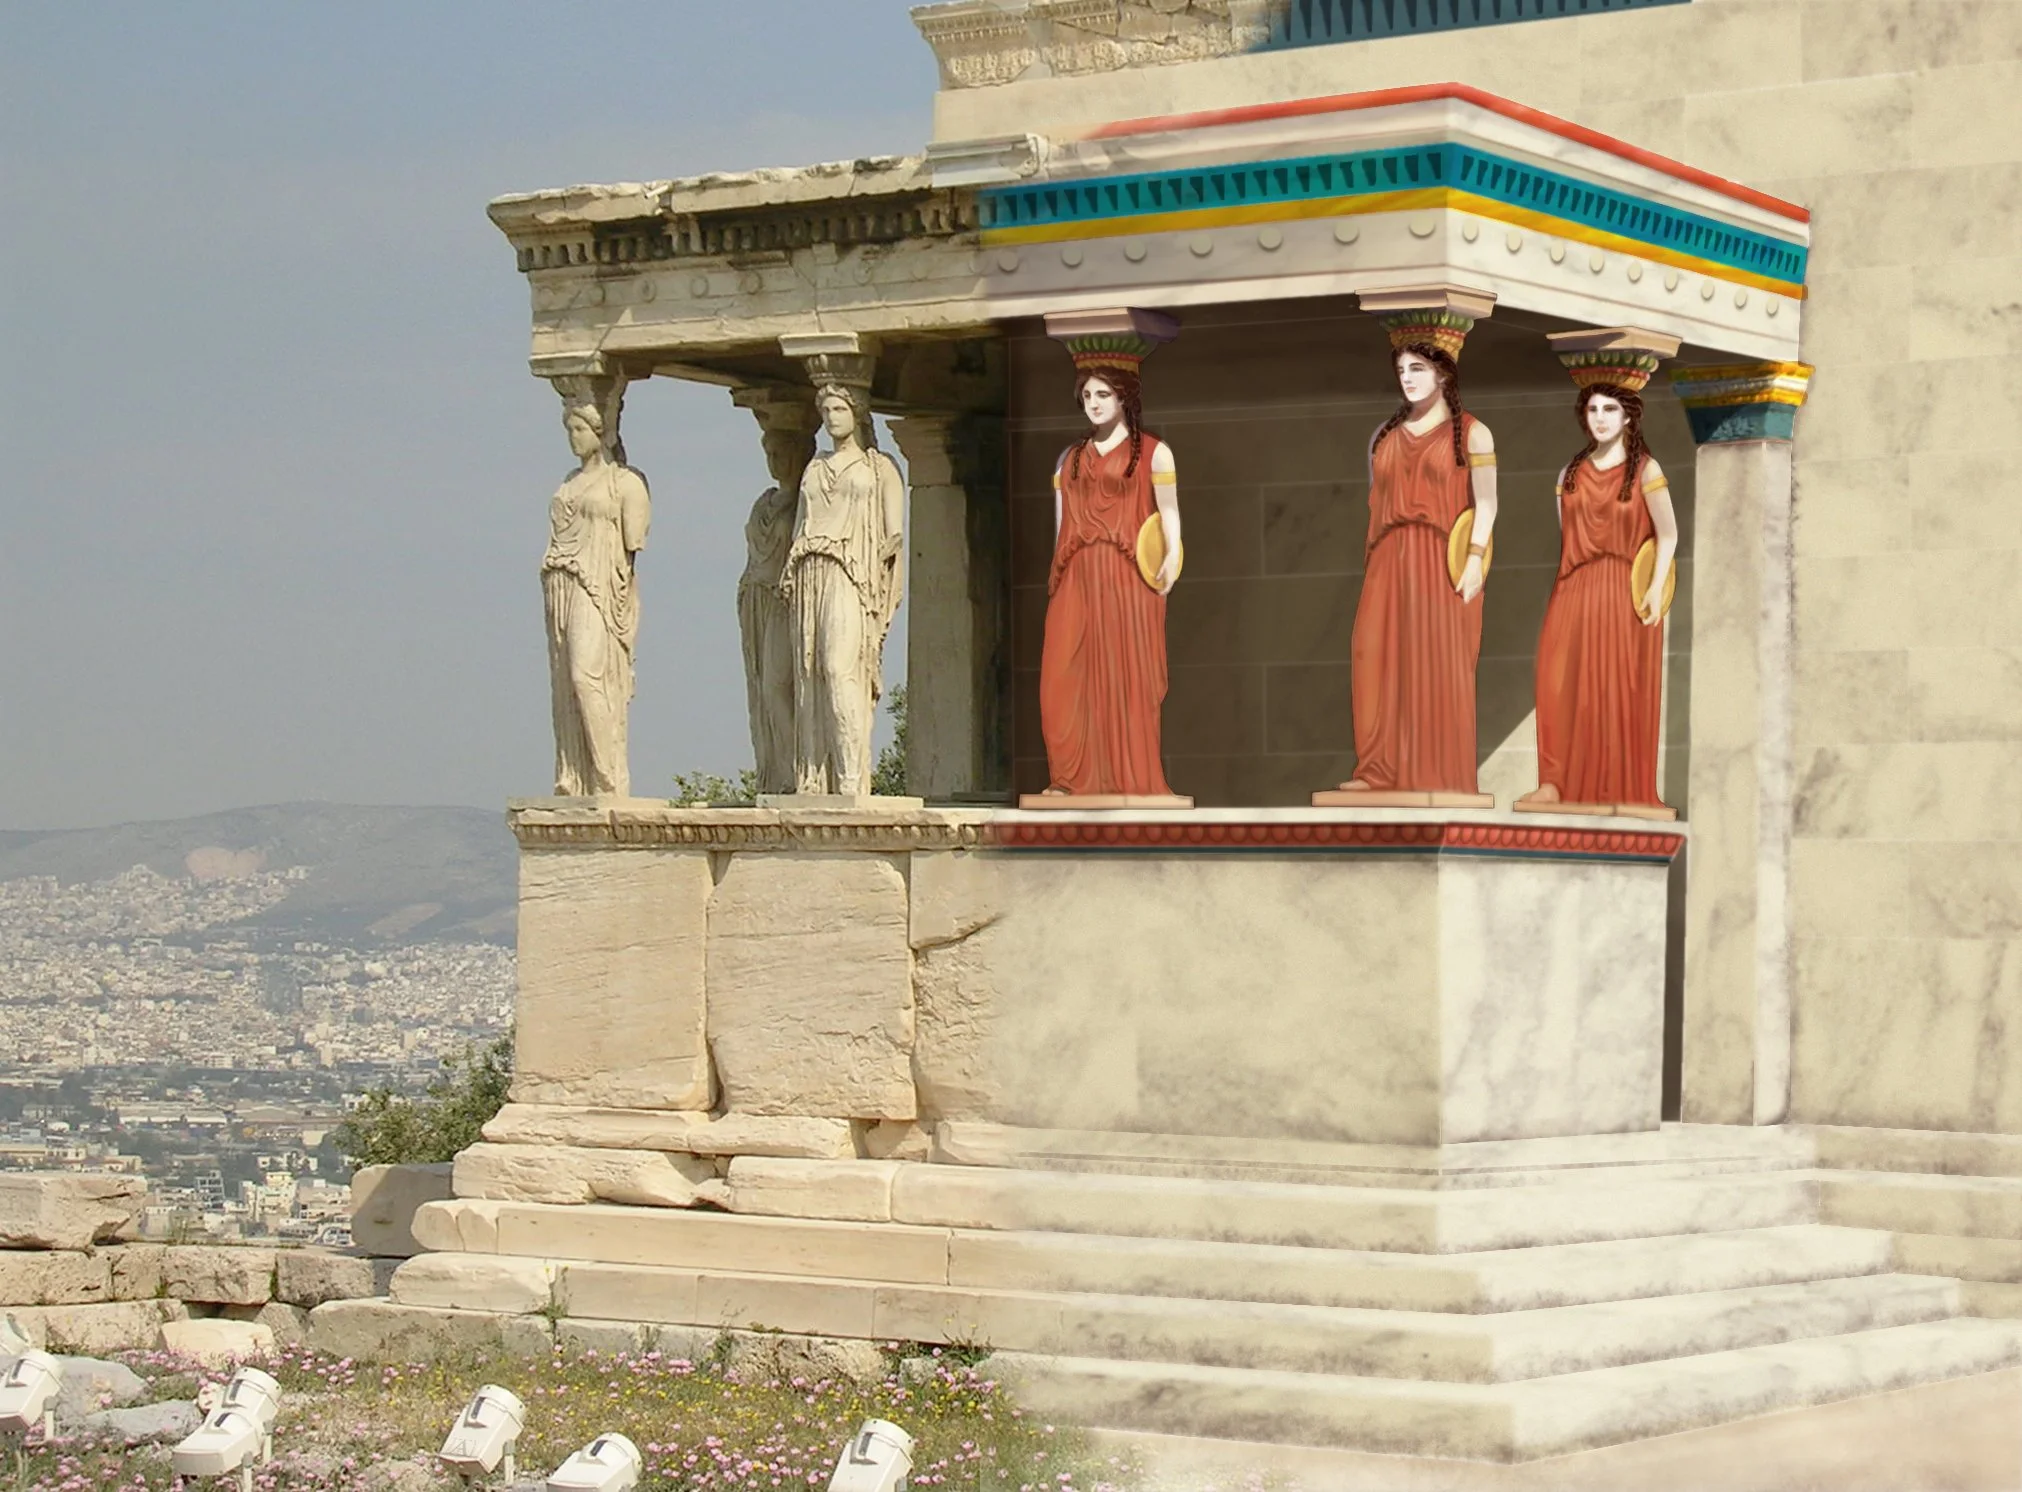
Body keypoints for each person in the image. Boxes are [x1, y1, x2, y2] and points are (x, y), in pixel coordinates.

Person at [1339, 328, 1497, 795]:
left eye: (1418, 369)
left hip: (1439, 558)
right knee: (1375, 656)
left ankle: (1432, 773)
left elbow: (1486, 504)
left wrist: (1474, 557)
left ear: (1442, 374)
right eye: (1402, 370)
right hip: (1388, 557)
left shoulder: (1473, 432)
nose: (1407, 379)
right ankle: (1378, 769)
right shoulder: (1385, 434)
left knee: (1435, 662)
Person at [1518, 380, 1677, 811]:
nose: (1601, 418)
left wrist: (1654, 586)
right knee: (1558, 680)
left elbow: (1668, 534)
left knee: (1612, 686)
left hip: (1623, 589)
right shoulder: (1569, 474)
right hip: (1573, 586)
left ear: (1627, 417)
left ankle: (1616, 785)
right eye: (1593, 410)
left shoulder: (1646, 470)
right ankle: (1554, 781)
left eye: (1610, 409)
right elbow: (1565, 536)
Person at [1037, 352, 1182, 798]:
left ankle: (1129, 779)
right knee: (1063, 676)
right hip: (1077, 575)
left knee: (1128, 678)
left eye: (1103, 394)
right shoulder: (1071, 458)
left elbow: (1169, 517)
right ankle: (1070, 778)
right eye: (1086, 395)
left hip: (1127, 578)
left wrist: (1170, 562)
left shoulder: (1155, 453)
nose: (1094, 403)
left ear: (1124, 397)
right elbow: (1061, 524)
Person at [783, 379, 904, 795]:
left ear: (857, 413)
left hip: (852, 573)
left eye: (839, 410)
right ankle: (816, 778)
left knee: (839, 667)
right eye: (827, 411)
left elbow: (894, 536)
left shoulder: (879, 467)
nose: (831, 418)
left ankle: (853, 777)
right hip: (809, 572)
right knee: (810, 672)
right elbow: (800, 526)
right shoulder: (815, 468)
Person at [541, 399, 650, 797]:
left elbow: (634, 539)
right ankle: (576, 776)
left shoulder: (625, 483)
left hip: (599, 585)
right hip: (561, 583)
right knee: (565, 683)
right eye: (569, 430)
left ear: (602, 432)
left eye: (580, 430)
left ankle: (609, 778)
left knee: (585, 676)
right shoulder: (568, 482)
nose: (573, 437)